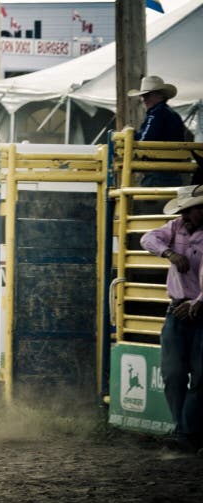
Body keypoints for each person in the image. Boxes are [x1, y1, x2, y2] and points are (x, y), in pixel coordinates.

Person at [140, 185, 203, 453]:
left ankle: (187, 432)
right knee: (173, 373)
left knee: (201, 376)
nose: (186, 215)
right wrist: (169, 253)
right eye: (185, 211)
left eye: (191, 210)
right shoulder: (176, 228)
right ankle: (183, 430)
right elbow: (148, 238)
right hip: (178, 309)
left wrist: (198, 303)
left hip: (197, 310)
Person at [127, 75, 187, 187]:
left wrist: (130, 134)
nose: (144, 99)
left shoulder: (156, 113)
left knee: (146, 201)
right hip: (172, 170)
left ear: (159, 95)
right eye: (143, 96)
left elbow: (144, 140)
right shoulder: (171, 113)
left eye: (146, 95)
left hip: (158, 172)